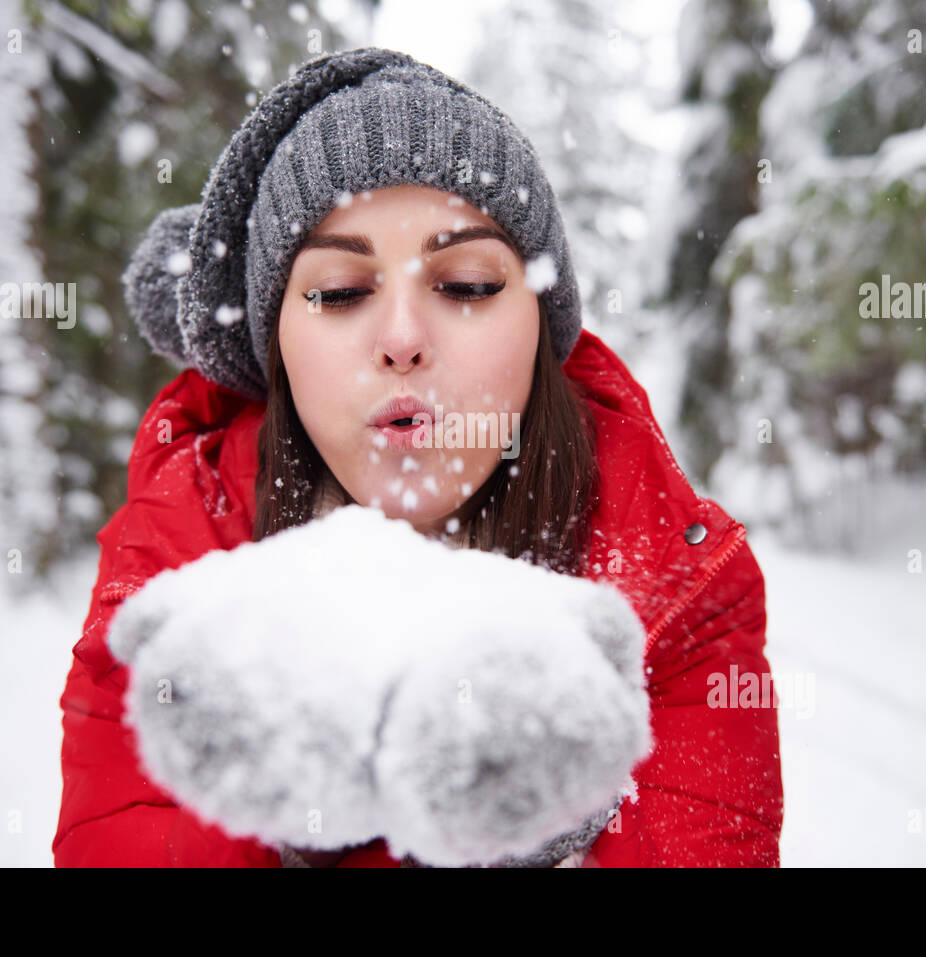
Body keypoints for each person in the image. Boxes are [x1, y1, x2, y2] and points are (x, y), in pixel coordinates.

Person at [53, 46, 783, 868]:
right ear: (278, 349)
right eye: (338, 290)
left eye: (467, 283)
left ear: (540, 330)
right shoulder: (171, 585)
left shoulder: (684, 598)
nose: (401, 340)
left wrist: (536, 825)